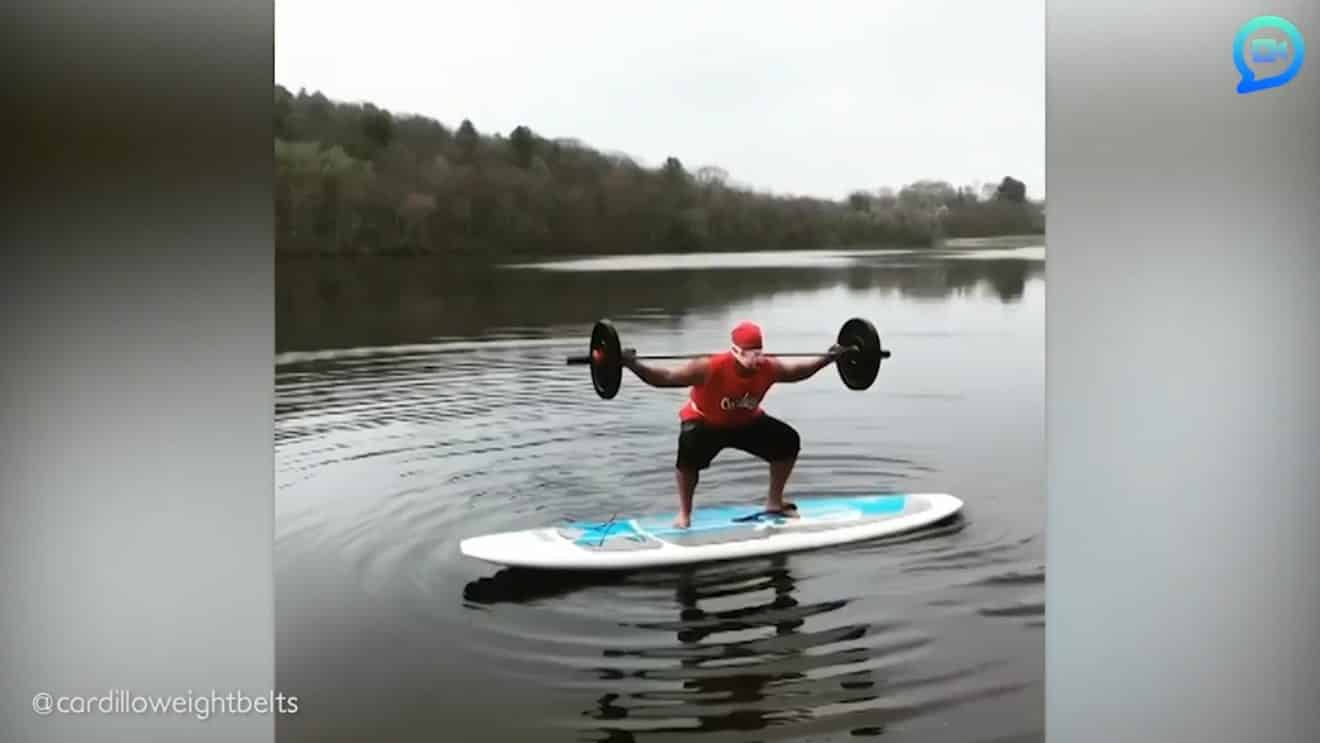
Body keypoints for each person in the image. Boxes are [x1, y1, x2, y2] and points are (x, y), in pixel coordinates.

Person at [621, 321, 844, 528]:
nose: (759, 359)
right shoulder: (708, 367)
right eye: (753, 354)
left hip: (746, 422)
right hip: (705, 422)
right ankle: (684, 514)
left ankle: (774, 503)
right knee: (688, 454)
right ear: (736, 352)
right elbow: (666, 377)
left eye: (761, 353)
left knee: (787, 441)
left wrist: (827, 359)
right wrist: (633, 365)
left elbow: (797, 372)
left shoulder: (768, 367)